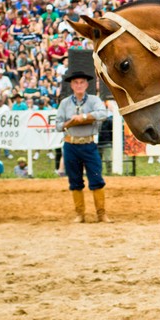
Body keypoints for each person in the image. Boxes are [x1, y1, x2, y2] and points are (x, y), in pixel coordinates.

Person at [55, 68, 111, 223]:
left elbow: (103, 114)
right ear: (72, 85)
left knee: (96, 178)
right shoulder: (65, 103)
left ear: (86, 85)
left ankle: (101, 213)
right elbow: (58, 125)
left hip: (88, 144)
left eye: (82, 82)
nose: (79, 85)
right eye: (76, 83)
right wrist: (70, 122)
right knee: (75, 180)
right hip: (71, 145)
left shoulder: (94, 100)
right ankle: (80, 214)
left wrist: (84, 117)